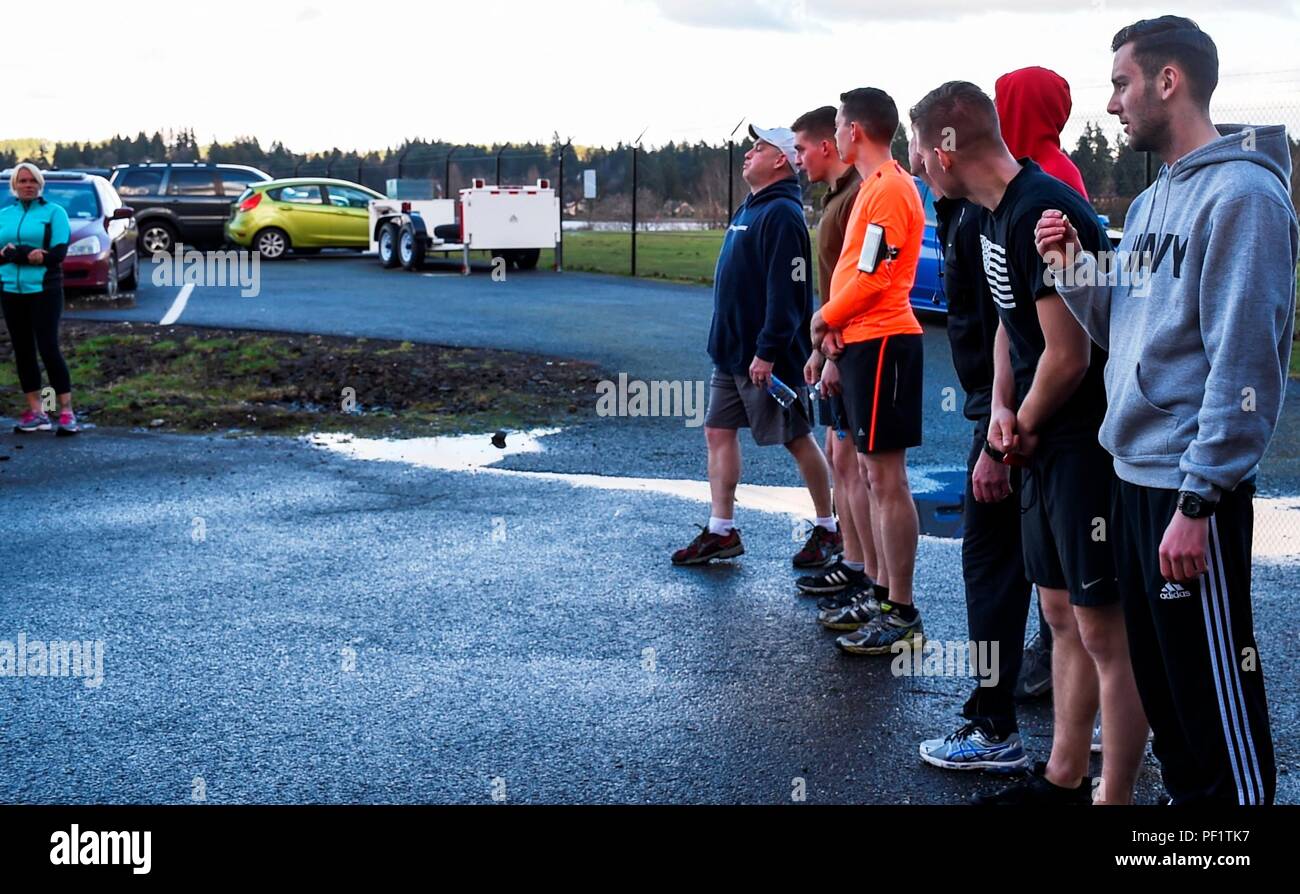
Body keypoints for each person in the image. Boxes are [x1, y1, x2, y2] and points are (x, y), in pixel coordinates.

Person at [1035, 16, 1296, 804]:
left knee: (1217, 711)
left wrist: (1200, 496)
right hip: (1133, 478)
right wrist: (1072, 270)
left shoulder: (1244, 194)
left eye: (1121, 83)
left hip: (1190, 492)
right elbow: (1127, 330)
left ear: (1168, 80)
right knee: (1170, 700)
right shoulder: (1151, 203)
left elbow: (1244, 359)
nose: (1113, 105)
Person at [910, 81, 1148, 804]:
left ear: (945, 149)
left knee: (1103, 630)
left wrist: (1021, 427)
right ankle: (1063, 775)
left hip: (1082, 444)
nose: (917, 163)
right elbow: (1015, 333)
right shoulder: (989, 218)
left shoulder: (1041, 209)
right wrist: (1002, 413)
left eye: (919, 149)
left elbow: (1070, 354)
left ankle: (1114, 794)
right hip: (1039, 440)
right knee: (1057, 616)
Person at [906, 133, 1033, 773]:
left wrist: (996, 440)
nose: (917, 163)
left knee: (1005, 573)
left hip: (1015, 426)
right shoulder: (968, 208)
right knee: (1028, 583)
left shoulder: (1011, 208)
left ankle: (997, 726)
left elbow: (1020, 333)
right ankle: (1010, 720)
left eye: (921, 149)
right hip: (1000, 417)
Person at [672, 125, 835, 566]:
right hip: (731, 356)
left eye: (758, 147)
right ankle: (722, 531)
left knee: (798, 438)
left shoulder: (782, 214)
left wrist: (767, 351)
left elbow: (788, 294)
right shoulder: (752, 206)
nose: (748, 152)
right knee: (716, 431)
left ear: (781, 160)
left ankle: (828, 528)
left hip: (766, 359)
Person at [810, 88, 926, 655]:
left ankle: (901, 612)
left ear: (855, 130)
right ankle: (883, 594)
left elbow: (876, 278)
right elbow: (856, 271)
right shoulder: (873, 189)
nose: (835, 131)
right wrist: (834, 332)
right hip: (862, 341)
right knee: (870, 472)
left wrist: (825, 317)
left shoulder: (890, 189)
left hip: (885, 343)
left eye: (838, 122)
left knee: (885, 479)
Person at [995, 65, 1095, 703]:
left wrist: (1015, 415)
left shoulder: (1045, 183)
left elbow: (1065, 335)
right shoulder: (1043, 174)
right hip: (1036, 402)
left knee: (1073, 587)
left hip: (1059, 416)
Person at [790, 106, 880, 598]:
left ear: (828, 146)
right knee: (841, 459)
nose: (799, 158)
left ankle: (866, 572)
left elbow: (863, 285)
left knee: (857, 467)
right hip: (835, 347)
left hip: (853, 348)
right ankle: (853, 561)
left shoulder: (857, 199)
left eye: (802, 148)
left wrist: (832, 353)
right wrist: (821, 350)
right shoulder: (837, 198)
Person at [1, 163, 76, 435]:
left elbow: (56, 255)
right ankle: (38, 411)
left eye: (33, 180)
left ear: (40, 184)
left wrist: (17, 253)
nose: (28, 184)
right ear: (14, 185)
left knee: (47, 348)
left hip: (44, 290)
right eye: (22, 180)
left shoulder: (54, 213)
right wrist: (27, 254)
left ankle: (65, 410)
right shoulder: (4, 215)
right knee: (23, 351)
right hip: (11, 290)